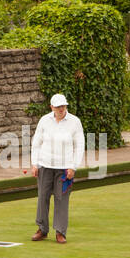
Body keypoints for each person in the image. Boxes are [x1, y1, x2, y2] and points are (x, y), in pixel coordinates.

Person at [30, 93, 85, 244]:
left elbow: (79, 146)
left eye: (63, 106)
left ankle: (60, 232)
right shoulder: (44, 121)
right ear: (51, 107)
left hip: (64, 168)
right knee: (42, 197)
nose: (61, 109)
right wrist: (35, 164)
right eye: (58, 106)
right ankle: (42, 229)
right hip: (45, 165)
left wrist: (73, 166)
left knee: (61, 199)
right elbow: (36, 143)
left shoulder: (74, 122)